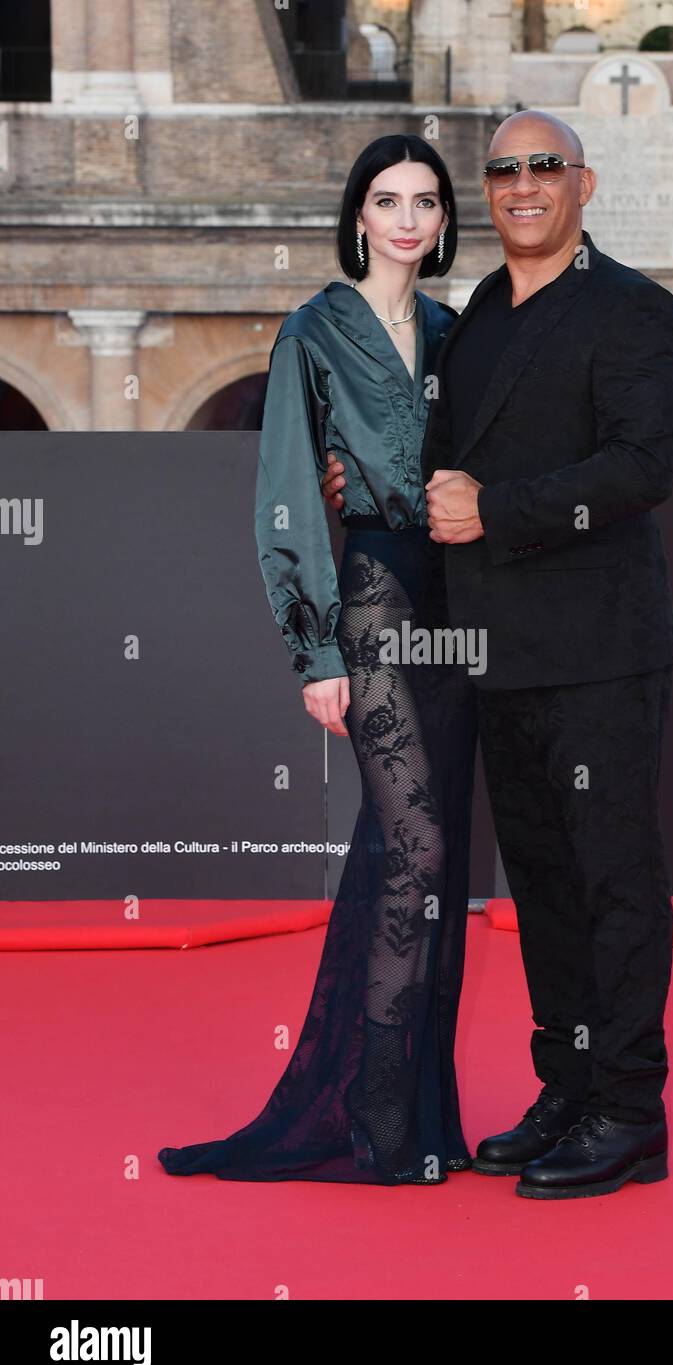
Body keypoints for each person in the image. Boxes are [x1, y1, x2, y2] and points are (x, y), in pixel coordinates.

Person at [322, 109, 673, 1199]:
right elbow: (439, 470)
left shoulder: (634, 310)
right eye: (502, 170)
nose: (522, 184)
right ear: (485, 191)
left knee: (612, 877)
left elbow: (640, 467)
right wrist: (372, 491)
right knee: (538, 882)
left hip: (599, 650)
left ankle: (628, 1110)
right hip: (496, 654)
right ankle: (567, 1086)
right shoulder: (476, 311)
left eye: (543, 166)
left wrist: (500, 510)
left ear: (582, 183)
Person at [157, 134, 478, 1185]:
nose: (404, 218)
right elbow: (288, 493)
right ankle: (377, 1119)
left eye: (424, 202)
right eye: (386, 198)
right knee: (417, 848)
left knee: (422, 862)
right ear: (356, 213)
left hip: (459, 603)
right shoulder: (312, 332)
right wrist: (312, 649)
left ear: (441, 224)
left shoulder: (454, 331)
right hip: (374, 596)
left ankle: (415, 1118)